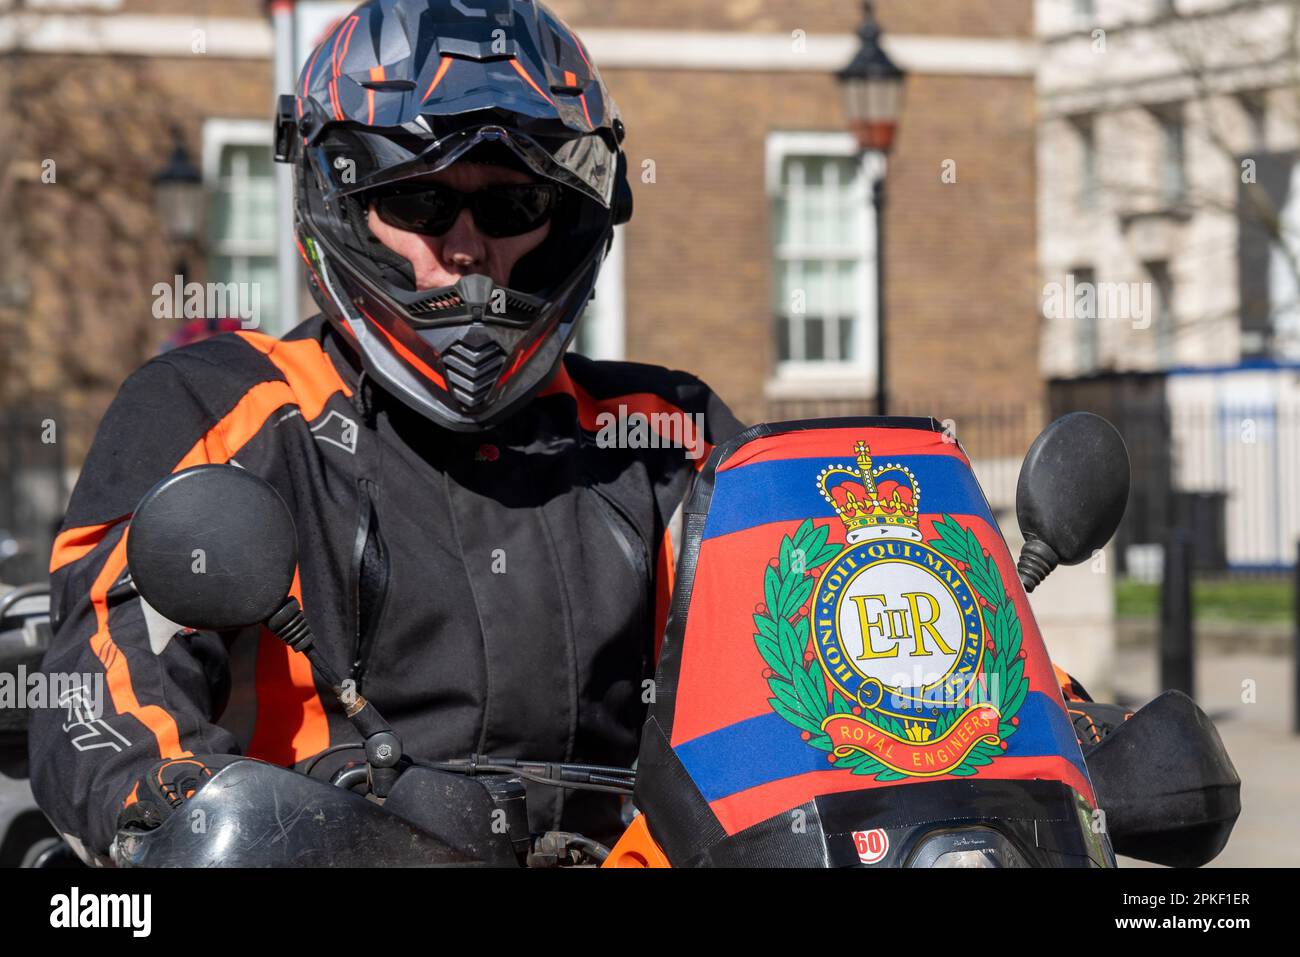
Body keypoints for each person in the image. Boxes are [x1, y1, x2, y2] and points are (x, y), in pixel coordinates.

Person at [28, 0, 742, 864]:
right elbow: (108, 682)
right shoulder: (222, 409)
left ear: (571, 214)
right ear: (342, 200)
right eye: (419, 201)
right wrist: (174, 805)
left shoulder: (670, 436)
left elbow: (810, 664)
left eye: (514, 203)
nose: (468, 248)